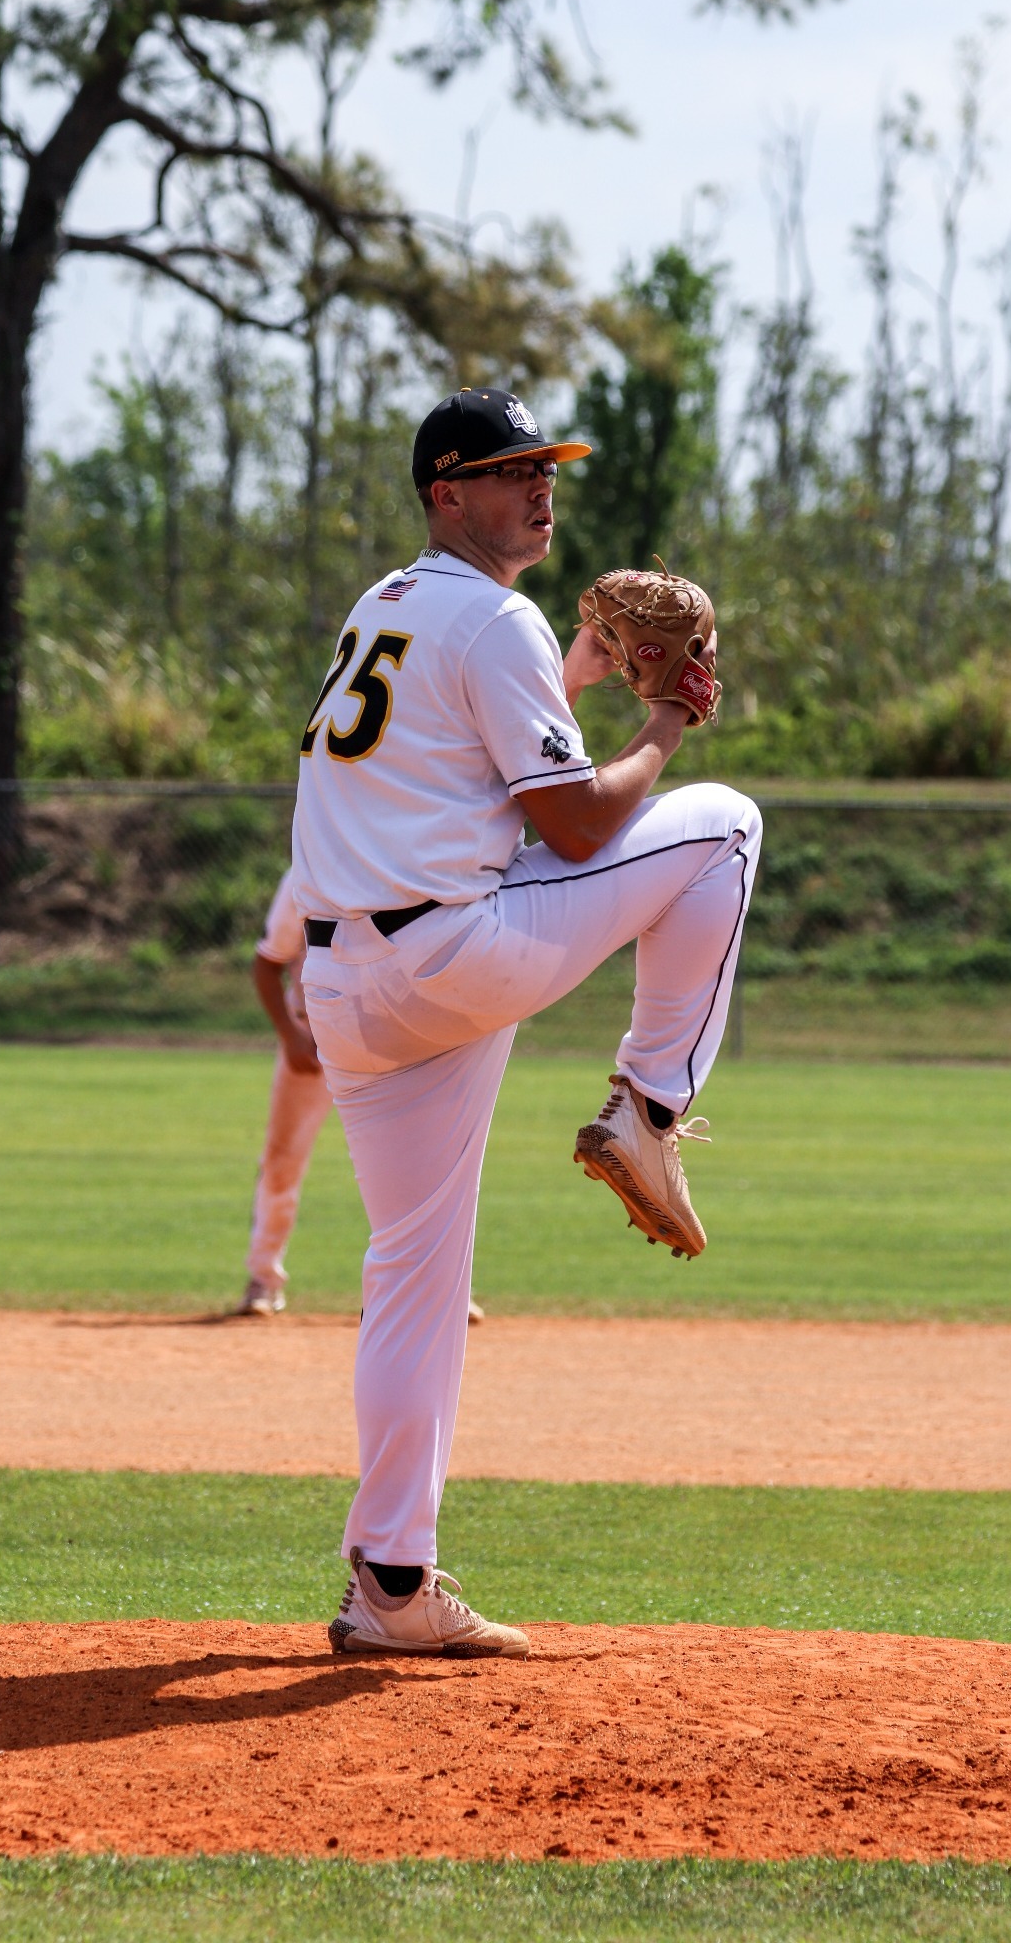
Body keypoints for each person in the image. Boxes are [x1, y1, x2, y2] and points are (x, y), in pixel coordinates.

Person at [292, 387, 762, 1658]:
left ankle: (392, 1584)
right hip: (452, 953)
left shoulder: (387, 605)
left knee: (416, 1272)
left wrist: (577, 679)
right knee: (724, 825)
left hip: (351, 983)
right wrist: (665, 719)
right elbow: (576, 826)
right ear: (446, 491)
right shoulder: (495, 613)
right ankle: (649, 1103)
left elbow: (458, 770)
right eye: (509, 470)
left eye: (544, 466)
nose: (539, 486)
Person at [237, 872, 486, 1325]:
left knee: (420, 1165)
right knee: (283, 1158)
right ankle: (262, 1278)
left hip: (391, 1038)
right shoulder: (307, 873)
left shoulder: (405, 867)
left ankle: (437, 1288)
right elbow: (268, 961)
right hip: (315, 1038)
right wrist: (290, 1036)